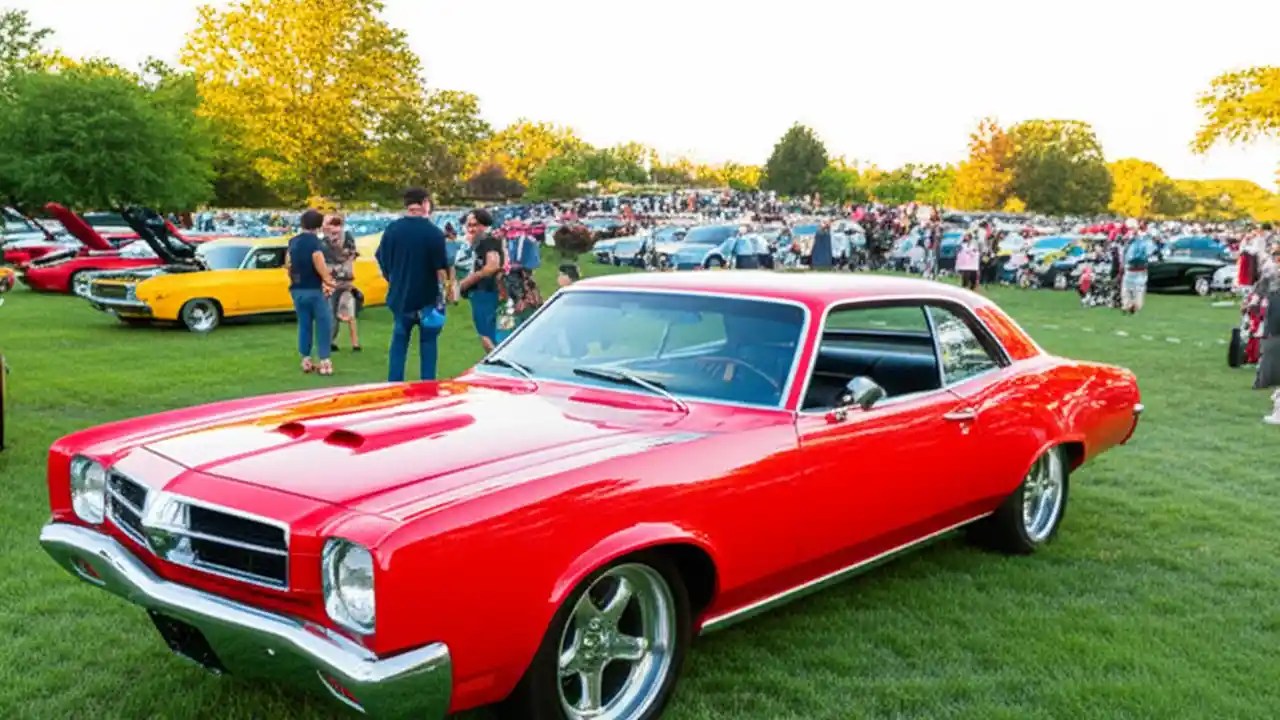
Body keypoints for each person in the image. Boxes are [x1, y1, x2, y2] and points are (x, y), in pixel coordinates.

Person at [375, 187, 449, 382]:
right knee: (429, 344)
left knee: (399, 342)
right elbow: (441, 269)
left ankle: (394, 384)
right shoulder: (433, 233)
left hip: (400, 296)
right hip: (427, 297)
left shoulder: (392, 230)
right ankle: (428, 385)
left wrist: (393, 279)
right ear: (425, 203)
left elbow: (381, 258)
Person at [285, 209, 336, 375]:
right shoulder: (315, 243)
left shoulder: (293, 242)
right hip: (314, 289)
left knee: (304, 324)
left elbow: (288, 264)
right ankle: (325, 360)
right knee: (323, 324)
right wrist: (328, 280)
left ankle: (306, 359)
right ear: (319, 225)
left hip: (297, 289)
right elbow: (318, 260)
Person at [458, 209, 504, 352]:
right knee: (486, 333)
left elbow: (492, 265)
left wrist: (466, 282)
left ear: (484, 225)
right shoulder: (476, 244)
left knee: (487, 335)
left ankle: (497, 364)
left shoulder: (488, 241)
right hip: (479, 293)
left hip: (486, 292)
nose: (471, 229)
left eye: (475, 225)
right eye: (469, 225)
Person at [323, 214, 361, 352]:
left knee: (347, 311)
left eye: (337, 228)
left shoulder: (347, 238)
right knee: (332, 311)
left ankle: (355, 343)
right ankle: (331, 341)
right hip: (333, 281)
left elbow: (350, 254)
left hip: (345, 280)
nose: (335, 231)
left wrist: (338, 247)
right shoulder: (325, 242)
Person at [1121, 233, 1151, 315]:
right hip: (1142, 271)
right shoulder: (1146, 244)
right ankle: (1136, 305)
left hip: (1130, 270)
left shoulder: (1128, 246)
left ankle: (1127, 305)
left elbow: (1124, 260)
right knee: (1139, 291)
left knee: (1126, 290)